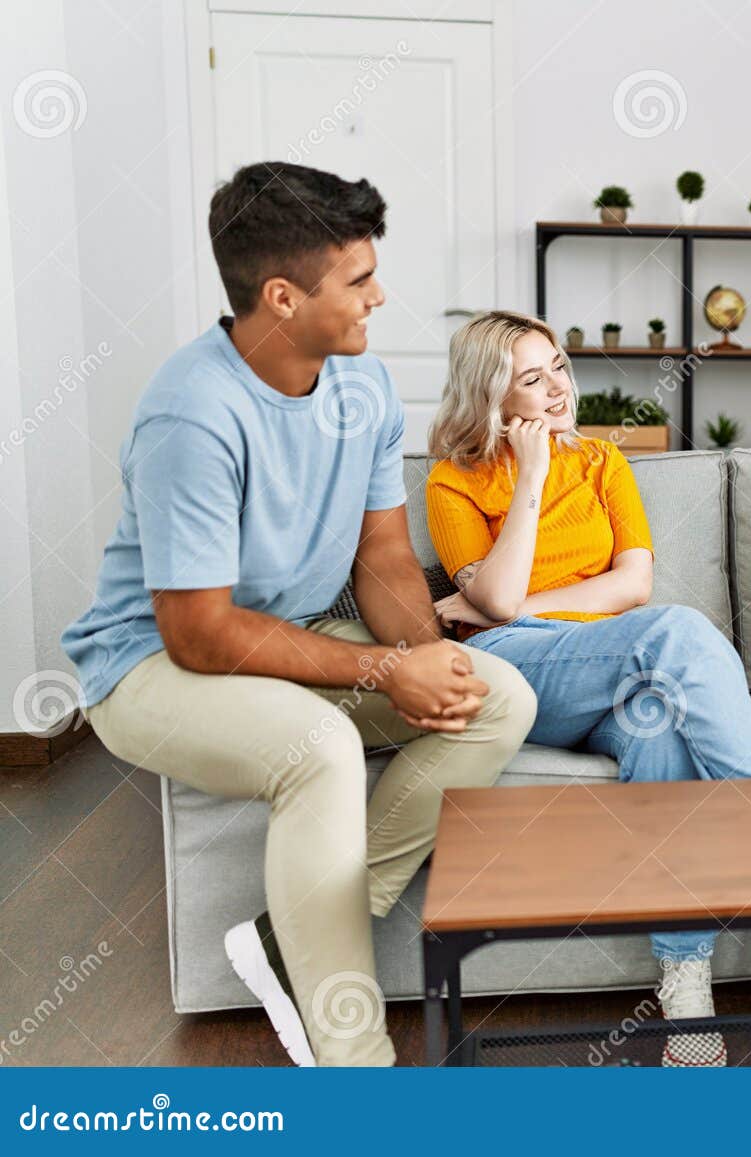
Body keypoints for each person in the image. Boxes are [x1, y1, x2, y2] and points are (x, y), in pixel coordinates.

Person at [60, 163, 538, 1067]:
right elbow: (198, 631)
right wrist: (384, 671)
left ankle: (297, 936)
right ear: (282, 296)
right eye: (357, 280)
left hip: (300, 631)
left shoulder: (362, 389)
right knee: (312, 747)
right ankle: (356, 1068)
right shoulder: (193, 413)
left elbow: (385, 559)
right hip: (149, 664)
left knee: (498, 694)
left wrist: (428, 664)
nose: (379, 295)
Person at [425, 310, 751, 1067]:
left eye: (557, 365)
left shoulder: (603, 462)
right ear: (491, 395)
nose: (557, 387)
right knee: (676, 631)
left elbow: (632, 581)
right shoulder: (455, 482)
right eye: (531, 376)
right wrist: (531, 480)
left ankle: (685, 985)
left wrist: (512, 601)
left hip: (595, 657)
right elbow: (498, 610)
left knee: (656, 725)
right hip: (522, 667)